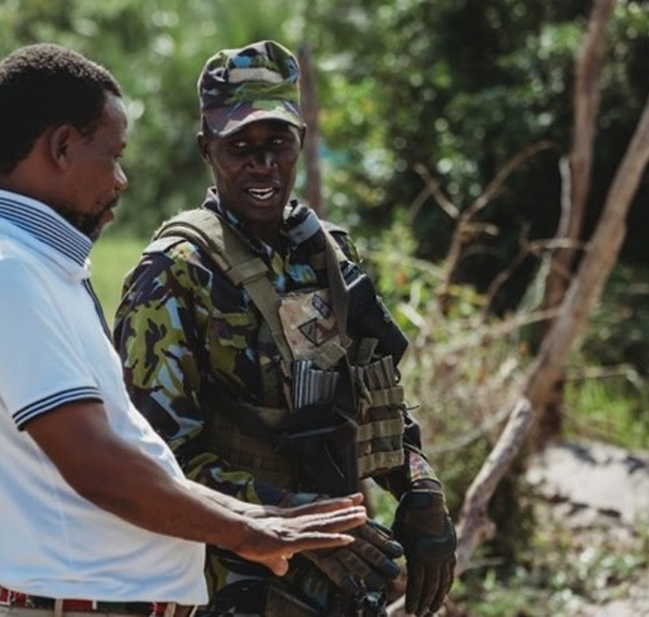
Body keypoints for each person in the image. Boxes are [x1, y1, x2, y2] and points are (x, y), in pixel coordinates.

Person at [0, 43, 372, 617]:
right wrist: (250, 532)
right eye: (112, 155)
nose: (121, 179)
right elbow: (100, 467)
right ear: (62, 147)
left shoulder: (28, 266)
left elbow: (124, 452)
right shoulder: (6, 271)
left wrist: (258, 517)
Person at [113, 40, 457, 617]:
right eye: (240, 147)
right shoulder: (175, 273)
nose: (262, 164)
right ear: (206, 149)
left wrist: (421, 488)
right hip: (231, 579)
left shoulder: (327, 252)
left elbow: (377, 396)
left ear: (301, 141)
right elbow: (154, 464)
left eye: (277, 143)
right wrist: (293, 521)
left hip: (341, 569)